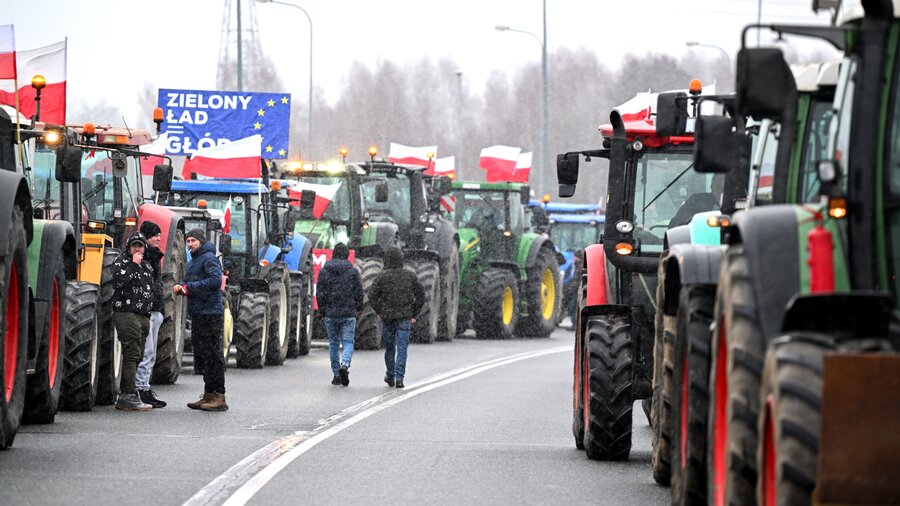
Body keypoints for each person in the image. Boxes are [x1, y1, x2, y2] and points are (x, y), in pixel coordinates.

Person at [176, 228, 228, 411]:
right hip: (198, 312)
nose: (190, 244)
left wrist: (189, 288)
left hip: (211, 314)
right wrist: (181, 286)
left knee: (213, 356)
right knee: (204, 355)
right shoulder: (194, 260)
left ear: (201, 241)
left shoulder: (209, 259)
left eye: (193, 241)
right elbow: (190, 280)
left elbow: (215, 281)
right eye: (188, 241)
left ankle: (219, 396)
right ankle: (208, 394)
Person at [369, 246, 425, 389]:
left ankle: (390, 375)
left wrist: (380, 311)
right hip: (405, 318)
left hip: (388, 318)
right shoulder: (410, 276)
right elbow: (421, 295)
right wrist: (414, 313)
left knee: (389, 348)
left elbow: (372, 296)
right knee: (402, 349)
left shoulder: (382, 276)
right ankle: (400, 378)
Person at [111, 232, 156, 411]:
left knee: (138, 354)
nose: (137, 249)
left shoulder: (147, 266)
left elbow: (151, 288)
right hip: (126, 312)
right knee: (131, 352)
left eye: (140, 246)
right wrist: (133, 265)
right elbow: (118, 281)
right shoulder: (121, 263)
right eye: (134, 246)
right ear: (129, 248)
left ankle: (131, 392)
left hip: (142, 314)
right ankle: (127, 395)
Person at [316, 242, 364, 386]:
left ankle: (336, 374)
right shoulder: (353, 271)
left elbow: (320, 293)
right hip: (348, 313)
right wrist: (358, 308)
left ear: (333, 254)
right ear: (347, 255)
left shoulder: (324, 271)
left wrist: (322, 310)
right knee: (348, 342)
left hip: (330, 314)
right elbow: (359, 292)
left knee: (334, 343)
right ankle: (345, 364)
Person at [134, 221, 166, 408]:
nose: (159, 238)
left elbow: (157, 284)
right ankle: (140, 389)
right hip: (147, 311)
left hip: (155, 309)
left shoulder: (154, 257)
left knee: (151, 353)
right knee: (145, 352)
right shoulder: (142, 258)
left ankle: (145, 387)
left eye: (159, 235)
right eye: (155, 235)